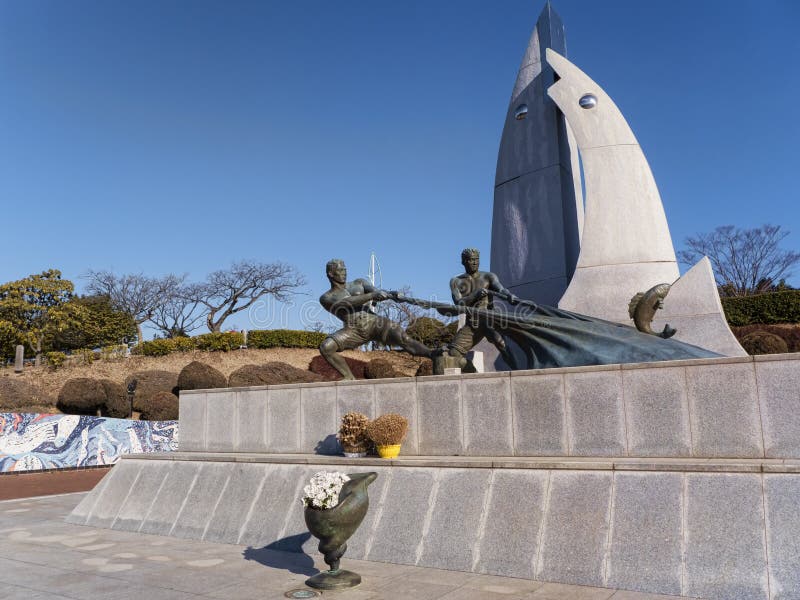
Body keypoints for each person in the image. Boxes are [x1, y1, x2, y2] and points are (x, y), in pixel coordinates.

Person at [319, 259, 432, 380]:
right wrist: (371, 296)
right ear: (331, 274)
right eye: (340, 270)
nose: (344, 273)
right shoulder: (326, 297)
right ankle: (349, 377)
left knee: (403, 338)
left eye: (345, 270)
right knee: (326, 347)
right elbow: (346, 303)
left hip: (374, 323)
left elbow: (376, 293)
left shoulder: (359, 283)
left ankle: (433, 353)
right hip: (353, 330)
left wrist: (390, 294)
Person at [447, 248, 519, 370]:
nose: (475, 263)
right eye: (471, 260)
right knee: (453, 354)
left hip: (489, 319)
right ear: (464, 262)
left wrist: (508, 295)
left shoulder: (488, 277)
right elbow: (459, 304)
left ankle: (518, 372)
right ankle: (472, 371)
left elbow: (500, 289)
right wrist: (475, 295)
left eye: (476, 260)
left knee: (501, 343)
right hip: (472, 324)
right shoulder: (456, 282)